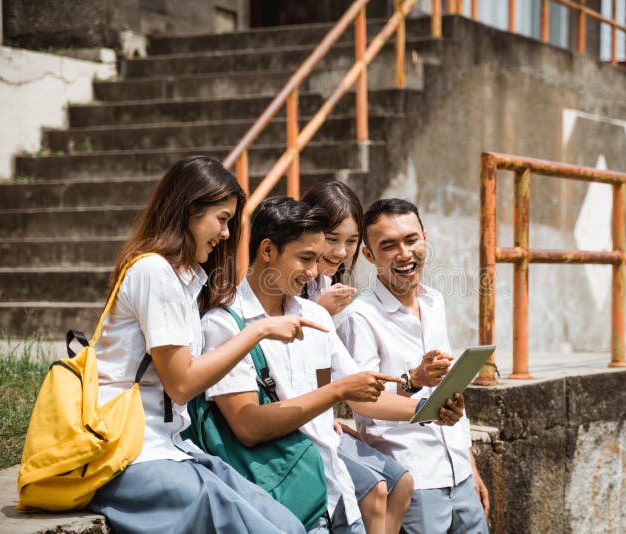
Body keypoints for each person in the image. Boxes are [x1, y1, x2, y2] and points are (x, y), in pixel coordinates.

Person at [201, 196, 466, 534]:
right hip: (284, 501)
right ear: (267, 250)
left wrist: (428, 408)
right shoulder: (224, 324)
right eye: (305, 259)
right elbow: (248, 426)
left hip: (336, 489)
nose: (314, 273)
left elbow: (362, 392)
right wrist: (336, 392)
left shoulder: (314, 315)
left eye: (317, 260)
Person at [88, 156, 311, 533]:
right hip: (129, 453)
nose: (225, 233)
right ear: (190, 210)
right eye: (222, 219)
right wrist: (256, 332)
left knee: (285, 523)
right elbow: (182, 384)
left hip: (171, 446)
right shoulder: (153, 271)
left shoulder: (184, 279)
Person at [337, 198, 491, 534]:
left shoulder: (434, 301)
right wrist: (417, 387)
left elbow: (451, 391)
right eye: (388, 245)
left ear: (425, 238)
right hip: (414, 477)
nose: (404, 254)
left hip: (459, 474)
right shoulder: (359, 317)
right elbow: (362, 401)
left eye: (411, 240)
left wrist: (470, 465)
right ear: (369, 255)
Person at [301, 181, 415, 534]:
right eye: (331, 239)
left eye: (351, 241)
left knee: (402, 483)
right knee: (376, 488)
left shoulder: (324, 285)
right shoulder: (292, 284)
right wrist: (319, 313)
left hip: (319, 416)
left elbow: (330, 371)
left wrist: (328, 414)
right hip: (289, 420)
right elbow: (277, 356)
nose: (340, 251)